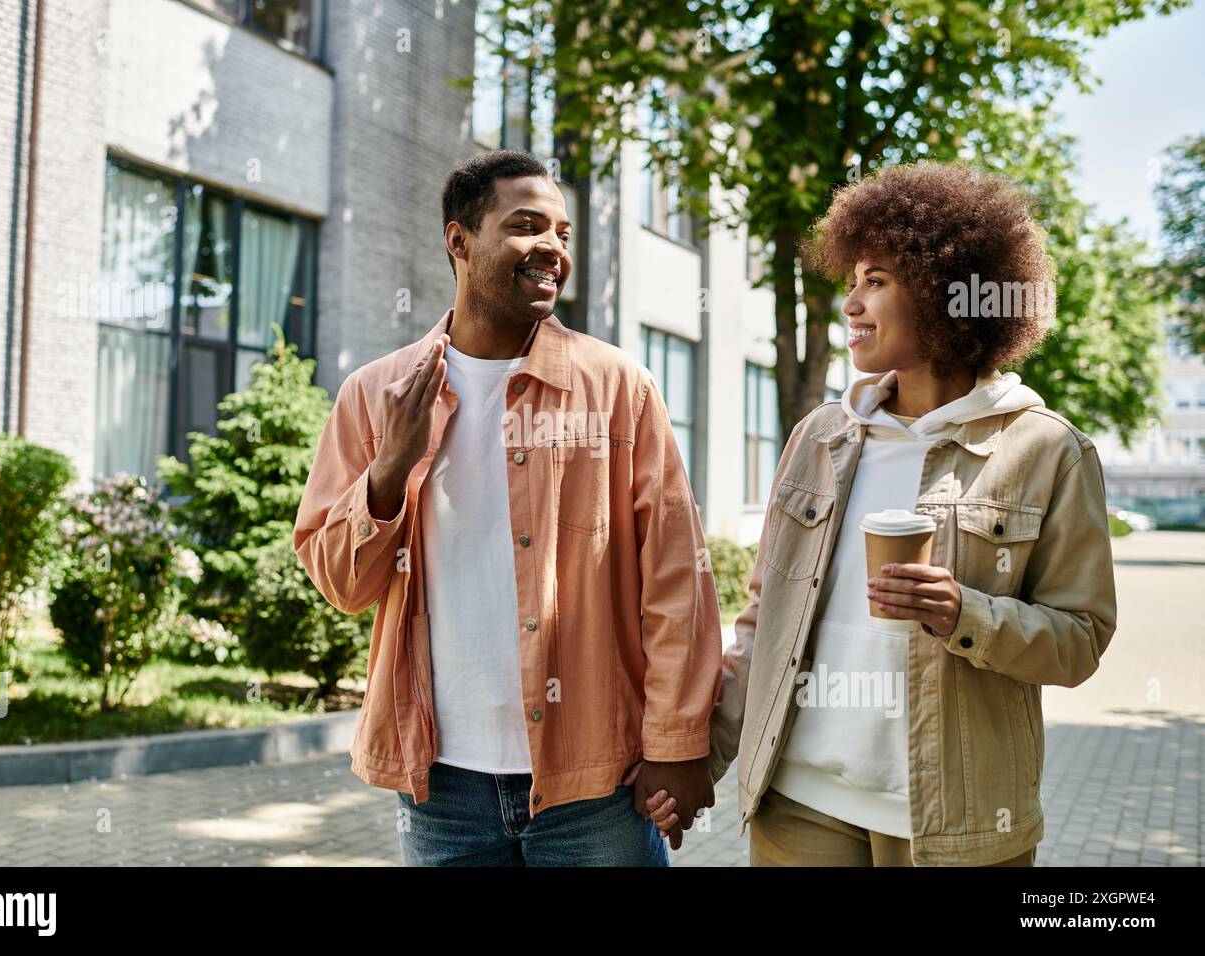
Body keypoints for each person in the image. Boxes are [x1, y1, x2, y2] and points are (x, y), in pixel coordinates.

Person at [645, 162, 1117, 866]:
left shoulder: (1049, 450)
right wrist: (699, 759)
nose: (851, 304)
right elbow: (765, 619)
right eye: (851, 280)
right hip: (798, 805)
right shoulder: (820, 437)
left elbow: (1079, 639)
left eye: (877, 281)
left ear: (946, 294)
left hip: (951, 825)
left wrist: (966, 614)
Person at [293, 148, 721, 866]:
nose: (553, 248)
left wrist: (677, 744)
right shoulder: (376, 396)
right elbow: (341, 583)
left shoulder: (620, 389)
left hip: (597, 780)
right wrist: (389, 470)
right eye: (528, 226)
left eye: (563, 233)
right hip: (442, 788)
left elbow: (677, 581)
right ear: (460, 242)